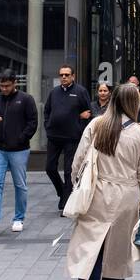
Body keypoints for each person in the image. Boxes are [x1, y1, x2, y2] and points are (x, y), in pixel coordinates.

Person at [67, 83, 140, 280]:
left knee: (90, 252)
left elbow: (78, 161)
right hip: (125, 197)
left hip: (96, 195)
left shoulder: (96, 125)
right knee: (117, 252)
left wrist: (78, 186)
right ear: (133, 104)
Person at [0, 70, 39, 236]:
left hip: (19, 149)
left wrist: (21, 138)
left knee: (20, 184)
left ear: (14, 83)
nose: (4, 89)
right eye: (1, 86)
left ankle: (18, 218)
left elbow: (33, 122)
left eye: (7, 86)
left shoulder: (26, 99)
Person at [44, 65, 93, 212]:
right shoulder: (54, 92)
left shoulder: (80, 91)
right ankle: (61, 192)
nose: (64, 77)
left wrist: (79, 126)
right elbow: (47, 111)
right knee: (49, 168)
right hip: (54, 136)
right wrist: (48, 125)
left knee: (68, 171)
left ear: (73, 76)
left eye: (67, 75)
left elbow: (88, 113)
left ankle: (66, 202)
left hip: (71, 137)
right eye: (61, 75)